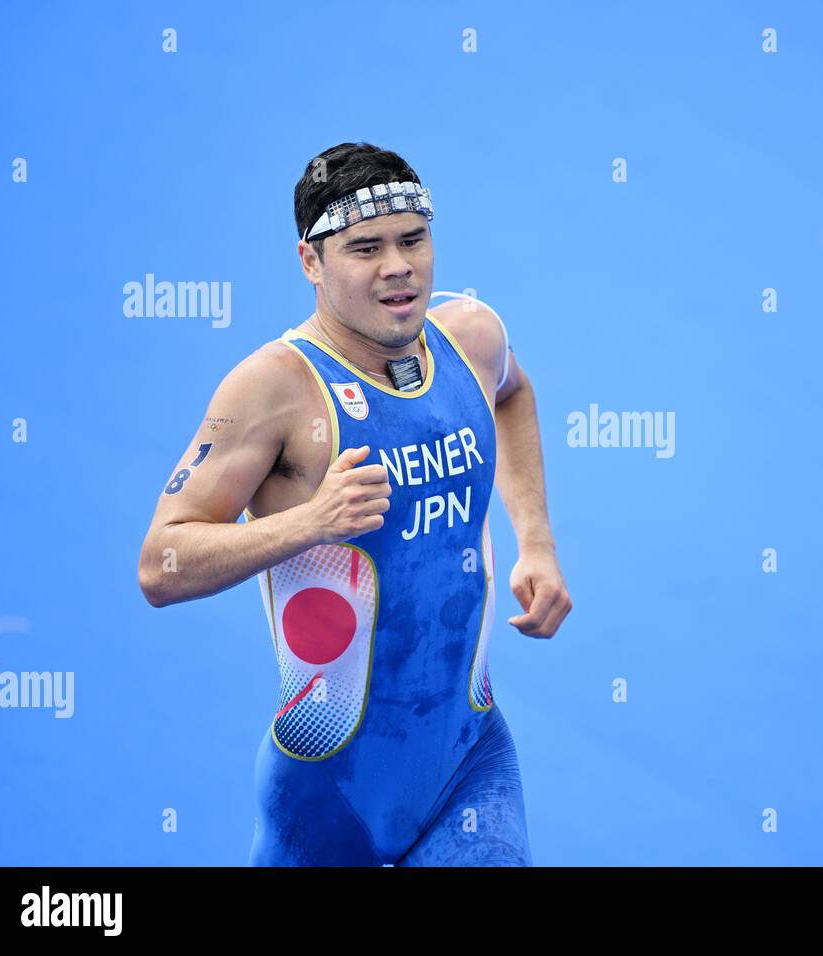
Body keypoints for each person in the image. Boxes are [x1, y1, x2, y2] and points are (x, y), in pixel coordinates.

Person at [138, 142, 571, 866]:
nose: (398, 266)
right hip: (327, 795)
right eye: (365, 248)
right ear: (311, 262)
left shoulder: (471, 337)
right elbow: (160, 564)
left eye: (413, 239)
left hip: (470, 763)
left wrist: (538, 542)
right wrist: (312, 521)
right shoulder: (272, 389)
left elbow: (513, 391)